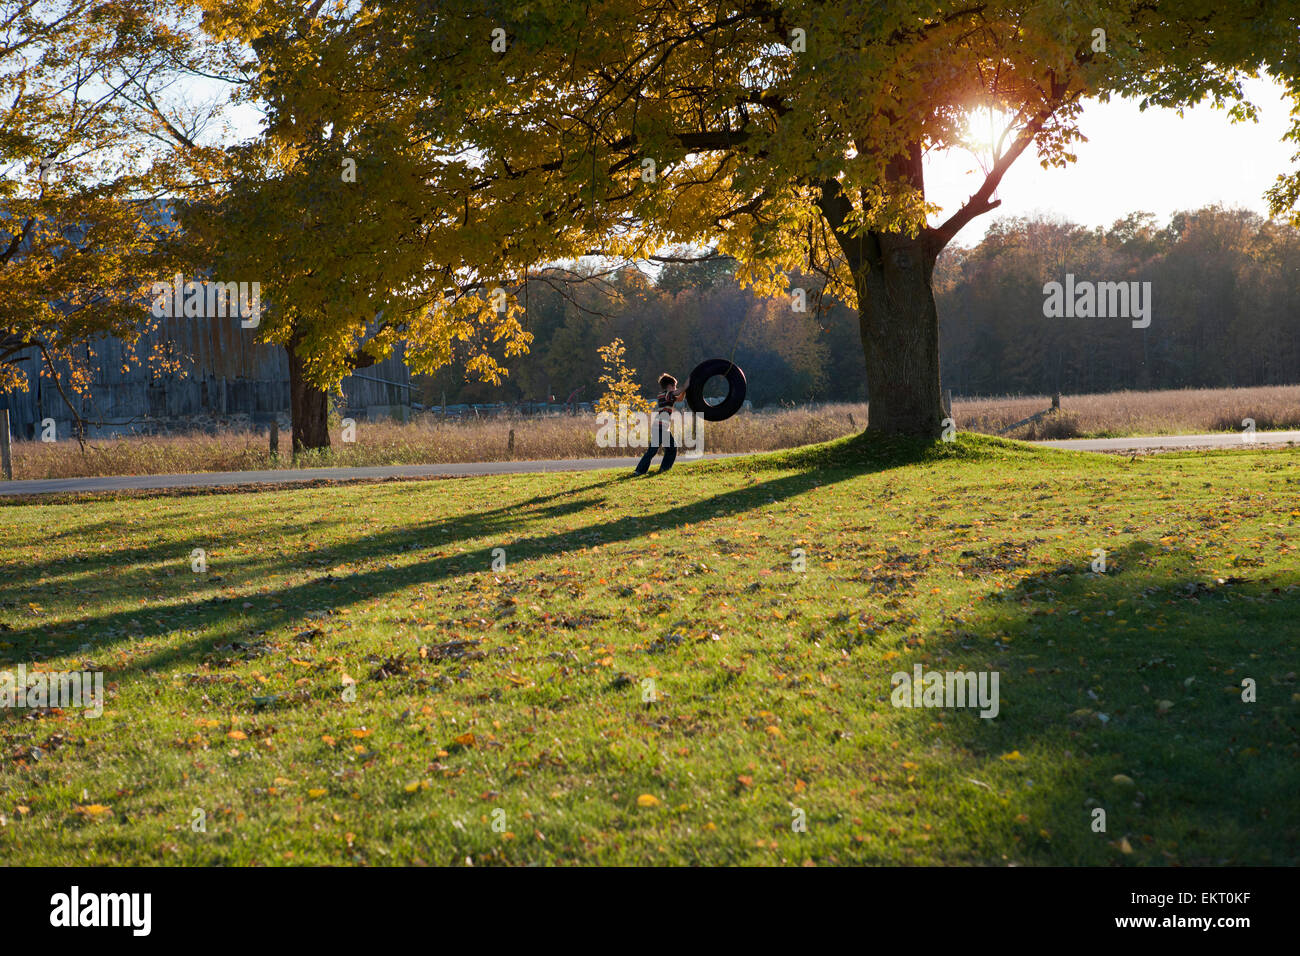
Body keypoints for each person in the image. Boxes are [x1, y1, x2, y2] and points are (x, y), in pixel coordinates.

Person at [634, 373, 686, 475]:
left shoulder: (662, 395)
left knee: (652, 450)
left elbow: (680, 398)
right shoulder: (668, 394)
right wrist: (686, 385)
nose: (675, 388)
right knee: (671, 448)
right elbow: (678, 392)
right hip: (662, 427)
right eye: (674, 386)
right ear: (669, 386)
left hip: (658, 426)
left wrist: (684, 391)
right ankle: (664, 469)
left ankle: (639, 470)